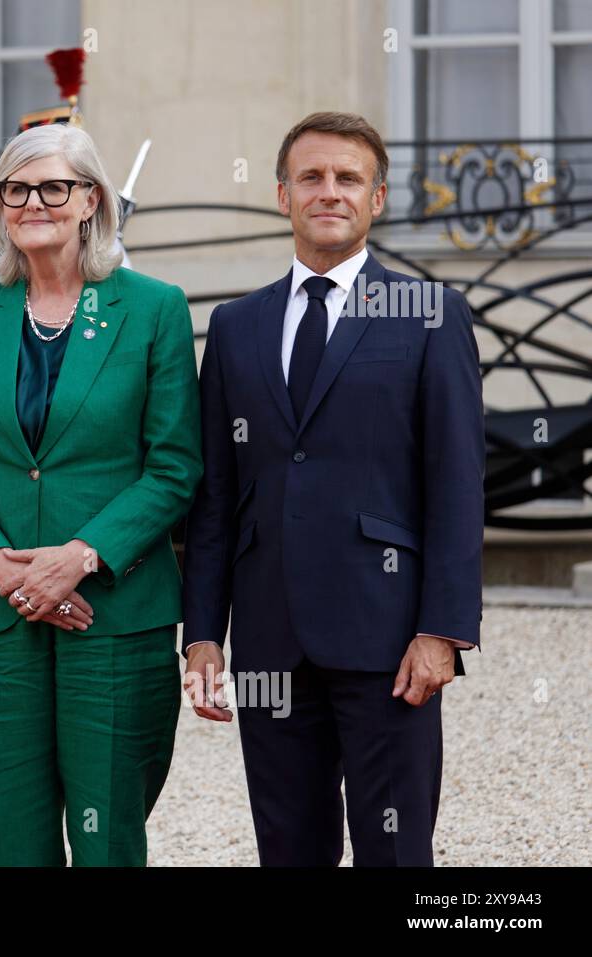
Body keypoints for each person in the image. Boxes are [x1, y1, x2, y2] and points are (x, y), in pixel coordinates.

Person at [180, 112, 484, 866]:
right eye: (311, 177)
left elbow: (456, 485)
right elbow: (217, 494)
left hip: (389, 638)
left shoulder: (430, 315)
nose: (329, 191)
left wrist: (443, 630)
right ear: (282, 194)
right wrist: (202, 634)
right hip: (268, 639)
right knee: (288, 848)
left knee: (395, 850)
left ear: (376, 198)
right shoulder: (235, 325)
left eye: (348, 178)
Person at [0, 123, 203, 866]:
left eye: (53, 187)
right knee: (15, 840)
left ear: (90, 201)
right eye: (16, 188)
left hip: (112, 614)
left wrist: (77, 558)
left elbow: (173, 465)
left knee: (108, 839)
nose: (33, 201)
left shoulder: (152, 308)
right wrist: (5, 569)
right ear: (1, 205)